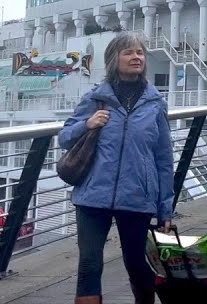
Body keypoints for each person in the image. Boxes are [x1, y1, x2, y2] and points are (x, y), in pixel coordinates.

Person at [60, 32, 174, 304]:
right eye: (128, 53)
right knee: (89, 265)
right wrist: (87, 124)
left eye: (140, 53)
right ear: (114, 58)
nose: (136, 57)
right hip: (92, 196)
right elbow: (64, 137)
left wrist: (165, 207)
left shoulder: (155, 104)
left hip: (136, 196)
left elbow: (163, 158)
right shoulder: (95, 99)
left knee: (136, 263)